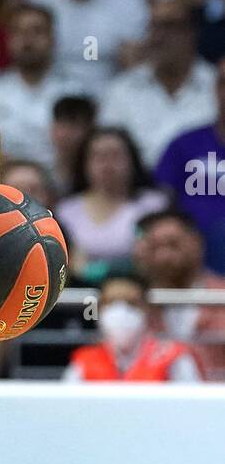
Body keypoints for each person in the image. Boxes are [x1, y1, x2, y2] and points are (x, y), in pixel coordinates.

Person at [99, 0, 217, 168]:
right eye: (153, 27)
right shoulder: (122, 90)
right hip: (137, 190)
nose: (158, 37)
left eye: (169, 27)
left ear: (191, 32)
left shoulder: (216, 85)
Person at [56, 127, 165, 284]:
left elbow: (154, 260)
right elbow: (66, 265)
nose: (107, 164)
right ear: (84, 163)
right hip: (80, 297)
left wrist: (91, 269)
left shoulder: (153, 205)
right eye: (99, 157)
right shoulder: (66, 210)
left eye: (115, 155)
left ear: (132, 160)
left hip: (141, 290)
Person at [0, 2, 84, 167]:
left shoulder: (74, 91)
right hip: (3, 179)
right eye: (19, 32)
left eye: (37, 31)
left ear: (52, 38)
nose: (27, 40)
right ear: (8, 40)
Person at [154, 56, 225, 276]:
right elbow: (162, 203)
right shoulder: (184, 144)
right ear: (215, 90)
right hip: (189, 260)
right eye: (224, 82)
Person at [134, 209, 225, 380]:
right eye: (155, 248)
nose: (164, 256)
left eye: (173, 245)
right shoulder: (137, 305)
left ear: (196, 244)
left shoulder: (221, 297)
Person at [64, 271, 202, 382]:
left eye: (131, 303)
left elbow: (193, 408)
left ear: (147, 309)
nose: (120, 311)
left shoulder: (173, 359)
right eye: (110, 302)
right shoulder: (84, 362)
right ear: (99, 309)